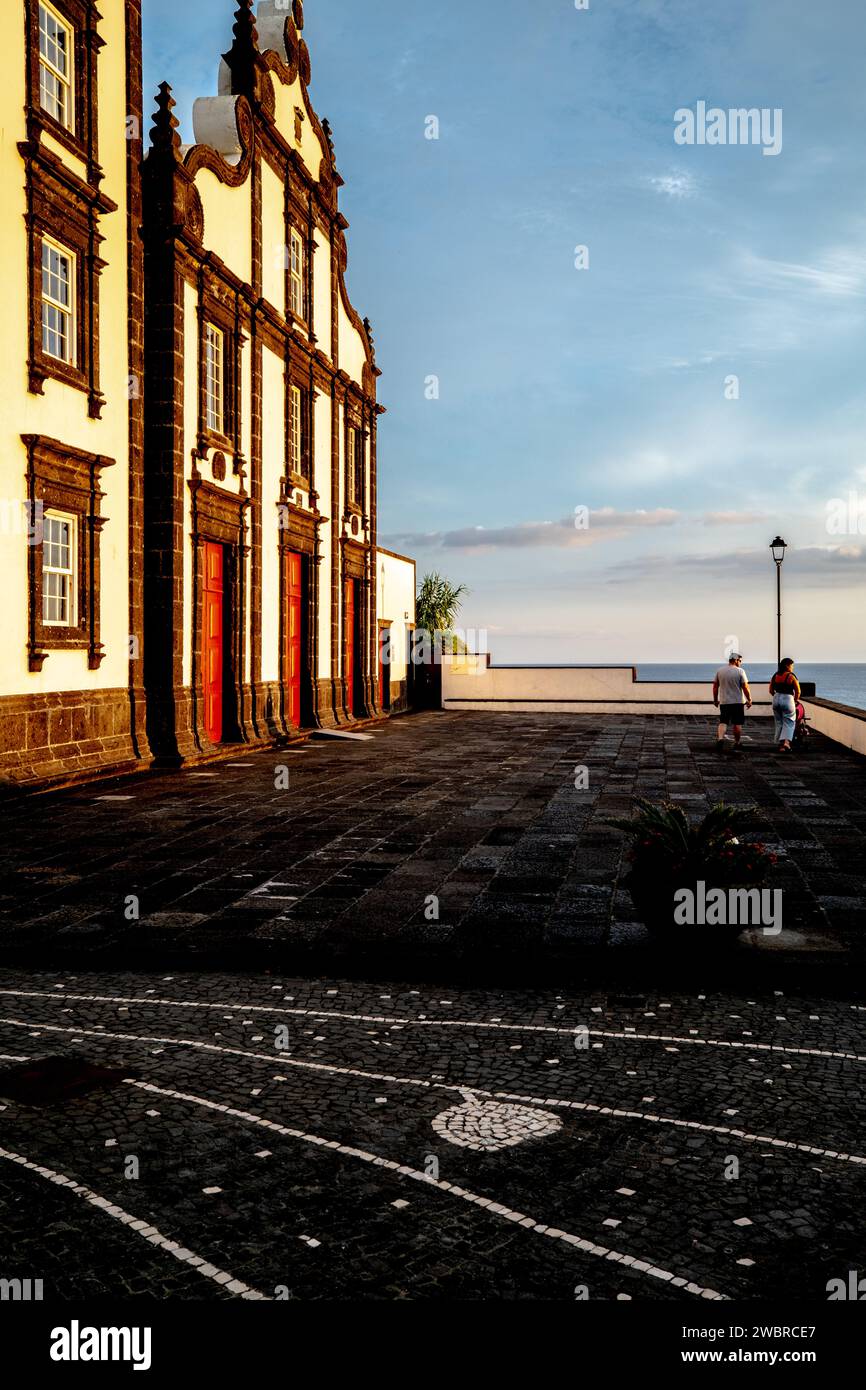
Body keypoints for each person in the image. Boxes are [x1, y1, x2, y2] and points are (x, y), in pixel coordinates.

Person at [713, 652, 752, 753]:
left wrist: (715, 699)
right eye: (740, 661)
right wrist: (749, 699)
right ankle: (737, 742)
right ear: (735, 660)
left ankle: (720, 739)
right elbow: (745, 687)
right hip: (737, 702)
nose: (741, 663)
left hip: (724, 701)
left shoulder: (720, 671)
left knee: (723, 721)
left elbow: (715, 687)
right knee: (737, 723)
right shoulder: (740, 671)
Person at [770, 657, 801, 753]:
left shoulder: (775, 675)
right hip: (787, 699)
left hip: (776, 698)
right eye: (792, 665)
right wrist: (795, 701)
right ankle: (786, 744)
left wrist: (776, 696)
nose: (792, 668)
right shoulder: (791, 676)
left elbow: (770, 690)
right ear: (787, 665)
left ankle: (780, 743)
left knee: (779, 722)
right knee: (789, 721)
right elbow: (798, 691)